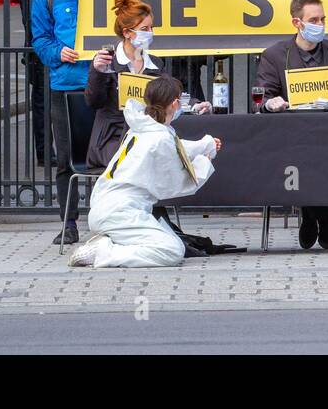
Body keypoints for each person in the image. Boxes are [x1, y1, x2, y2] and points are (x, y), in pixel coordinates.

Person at [68, 76, 221, 269]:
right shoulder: (159, 136)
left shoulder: (141, 128)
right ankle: (105, 251)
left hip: (107, 207)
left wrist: (204, 145)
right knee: (172, 250)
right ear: (175, 103)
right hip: (121, 211)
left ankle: (109, 242)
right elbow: (175, 184)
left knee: (167, 240)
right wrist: (204, 162)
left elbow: (174, 150)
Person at [255, 0, 328, 250]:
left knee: (323, 152)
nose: (320, 25)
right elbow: (262, 98)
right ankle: (321, 217)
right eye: (314, 20)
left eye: (323, 19)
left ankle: (313, 215)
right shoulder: (274, 55)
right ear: (297, 23)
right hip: (292, 137)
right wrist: (271, 103)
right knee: (305, 153)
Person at [85, 0, 212, 170]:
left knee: (162, 153)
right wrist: (98, 72)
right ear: (127, 33)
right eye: (145, 29)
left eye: (151, 28)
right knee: (146, 157)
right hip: (111, 139)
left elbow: (170, 95)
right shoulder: (108, 61)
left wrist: (195, 105)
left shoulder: (155, 63)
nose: (150, 33)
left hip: (145, 136)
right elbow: (94, 101)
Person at [30, 0, 94, 246]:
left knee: (104, 157)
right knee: (66, 159)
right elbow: (40, 41)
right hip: (64, 85)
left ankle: (104, 218)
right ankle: (68, 224)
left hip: (100, 85)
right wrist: (58, 52)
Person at [17, 0, 51, 166]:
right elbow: (32, 22)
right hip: (39, 53)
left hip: (52, 51)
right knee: (42, 102)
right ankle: (44, 152)